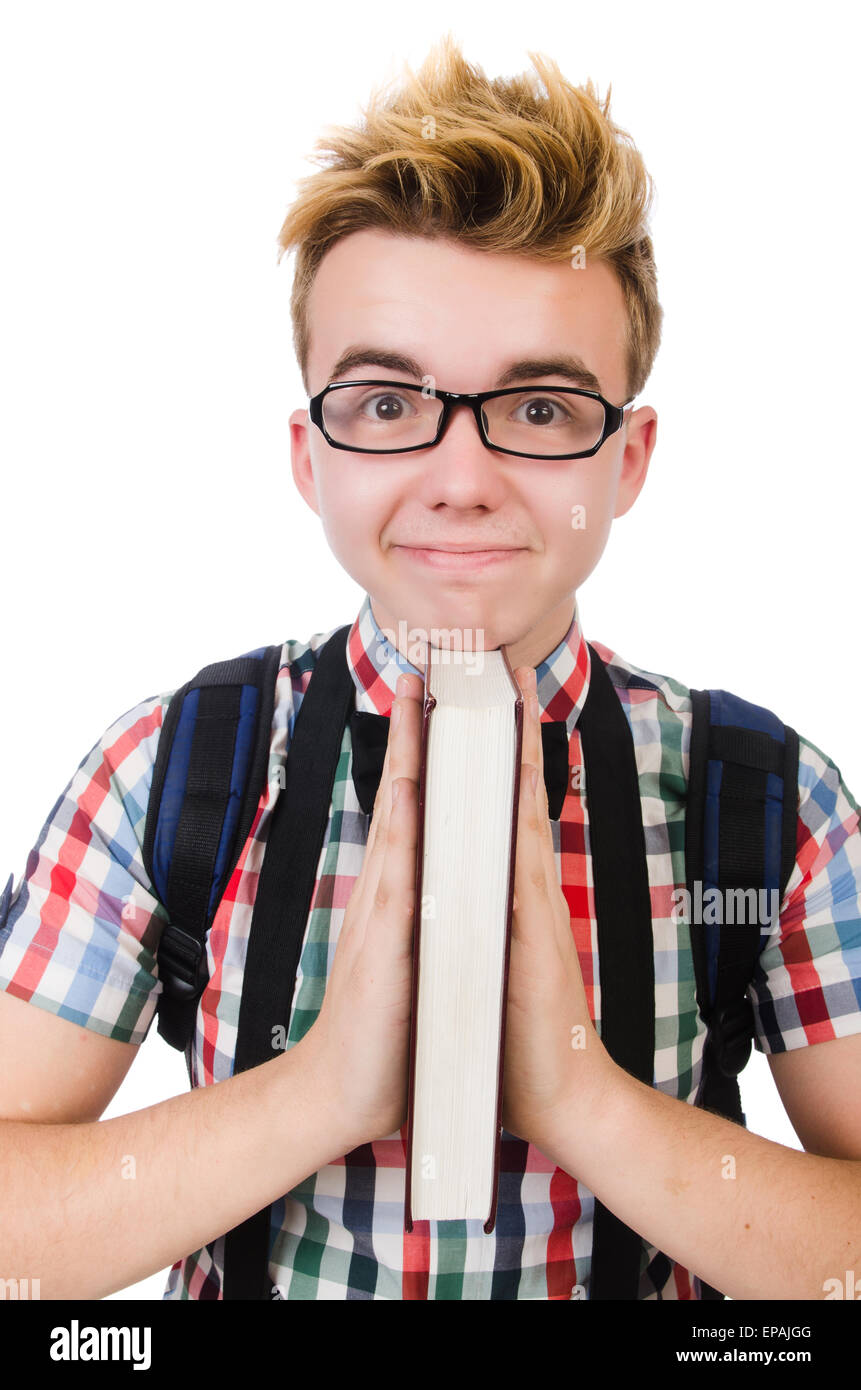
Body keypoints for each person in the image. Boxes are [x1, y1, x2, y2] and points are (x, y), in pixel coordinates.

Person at [1, 35, 859, 1303]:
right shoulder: (172, 770)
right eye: (390, 404)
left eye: (542, 409)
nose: (461, 480)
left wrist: (579, 1093)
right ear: (311, 455)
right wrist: (323, 1086)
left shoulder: (768, 803)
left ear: (629, 461)